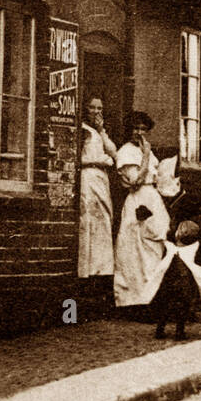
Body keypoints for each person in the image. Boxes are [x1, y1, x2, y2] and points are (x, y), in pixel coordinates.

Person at [113, 139, 171, 310]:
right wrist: (145, 154)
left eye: (143, 129)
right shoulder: (127, 152)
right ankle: (135, 301)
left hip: (152, 199)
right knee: (135, 251)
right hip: (138, 199)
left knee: (155, 248)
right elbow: (136, 181)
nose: (139, 133)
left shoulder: (146, 149)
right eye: (135, 128)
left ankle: (153, 299)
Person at [151, 220, 201, 340]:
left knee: (165, 307)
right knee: (182, 308)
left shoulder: (170, 247)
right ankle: (179, 332)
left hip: (169, 282)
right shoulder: (193, 248)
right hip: (185, 283)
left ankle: (159, 330)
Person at [78, 97, 117, 280]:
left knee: (104, 221)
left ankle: (102, 270)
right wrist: (99, 160)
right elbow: (77, 159)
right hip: (88, 177)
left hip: (101, 179)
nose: (95, 111)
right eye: (92, 107)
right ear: (85, 108)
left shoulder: (99, 132)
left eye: (99, 108)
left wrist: (102, 131)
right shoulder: (82, 130)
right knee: (89, 221)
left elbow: (114, 152)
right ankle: (87, 270)